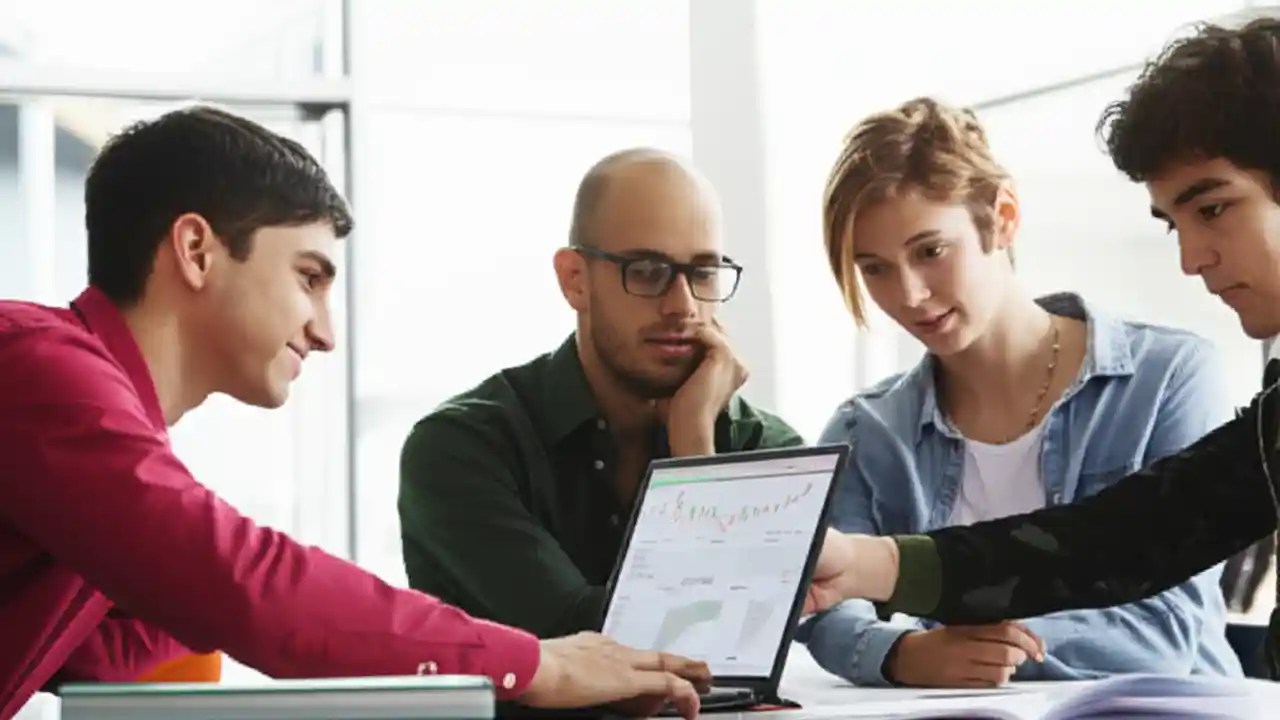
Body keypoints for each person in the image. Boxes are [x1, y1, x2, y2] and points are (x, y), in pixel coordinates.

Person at [0, 106, 710, 720]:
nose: (324, 331)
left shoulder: (76, 430)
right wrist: (540, 666)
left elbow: (132, 636)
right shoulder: (41, 373)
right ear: (195, 251)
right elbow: (247, 583)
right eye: (307, 278)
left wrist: (198, 599)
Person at [804, 15, 1280, 682]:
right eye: (875, 268)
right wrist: (874, 576)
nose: (1191, 260)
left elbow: (1155, 606)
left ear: (1002, 219)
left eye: (1212, 210)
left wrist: (957, 640)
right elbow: (1116, 542)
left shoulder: (1167, 371)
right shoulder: (868, 426)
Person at [398, 148, 804, 639]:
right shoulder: (462, 449)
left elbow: (744, 646)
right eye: (648, 271)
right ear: (575, 281)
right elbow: (598, 644)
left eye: (702, 273)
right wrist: (696, 448)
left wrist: (694, 441)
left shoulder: (767, 451)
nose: (684, 307)